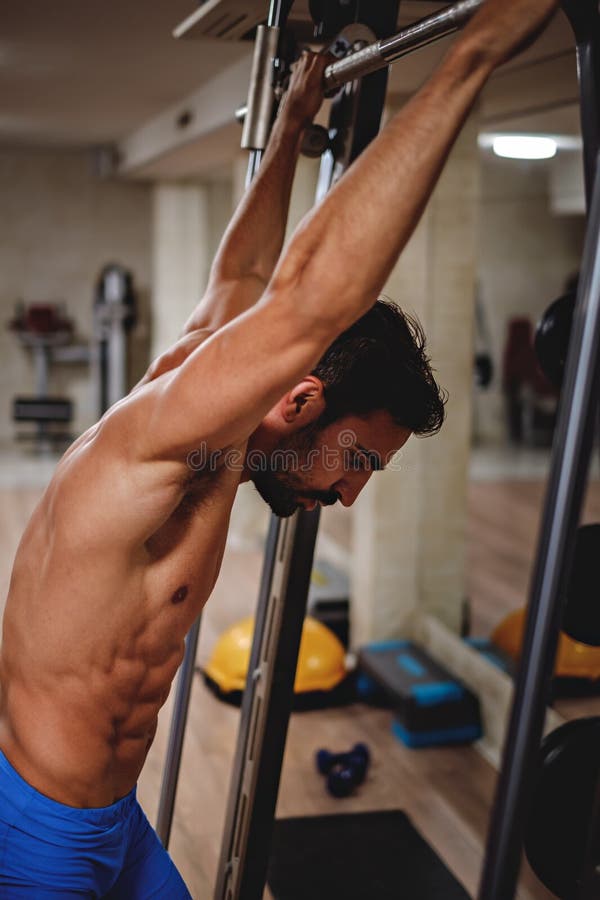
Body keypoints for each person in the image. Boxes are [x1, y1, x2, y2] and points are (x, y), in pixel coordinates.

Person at [0, 0, 558, 895]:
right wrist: (477, 52)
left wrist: (295, 125)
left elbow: (242, 280)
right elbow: (304, 300)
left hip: (114, 820)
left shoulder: (205, 410)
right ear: (301, 399)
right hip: (39, 836)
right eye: (359, 462)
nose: (349, 496)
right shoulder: (158, 448)